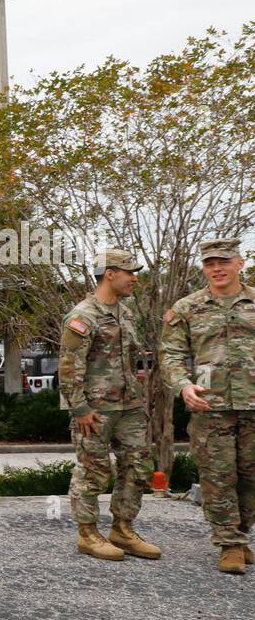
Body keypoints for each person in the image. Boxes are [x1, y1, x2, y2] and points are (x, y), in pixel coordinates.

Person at [160, 237, 255, 574]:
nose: (216, 268)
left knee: (250, 474)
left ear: (239, 263)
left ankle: (241, 534)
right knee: (218, 476)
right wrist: (182, 385)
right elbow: (170, 354)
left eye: (224, 262)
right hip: (209, 405)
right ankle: (228, 542)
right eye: (209, 263)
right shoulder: (188, 307)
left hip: (253, 404)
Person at [58, 247, 160, 561]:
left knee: (138, 466)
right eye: (129, 272)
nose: (133, 278)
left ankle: (123, 529)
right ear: (110, 274)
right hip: (95, 409)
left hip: (129, 407)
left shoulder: (125, 312)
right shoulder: (82, 316)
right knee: (93, 471)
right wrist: (79, 409)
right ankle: (88, 534)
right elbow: (69, 365)